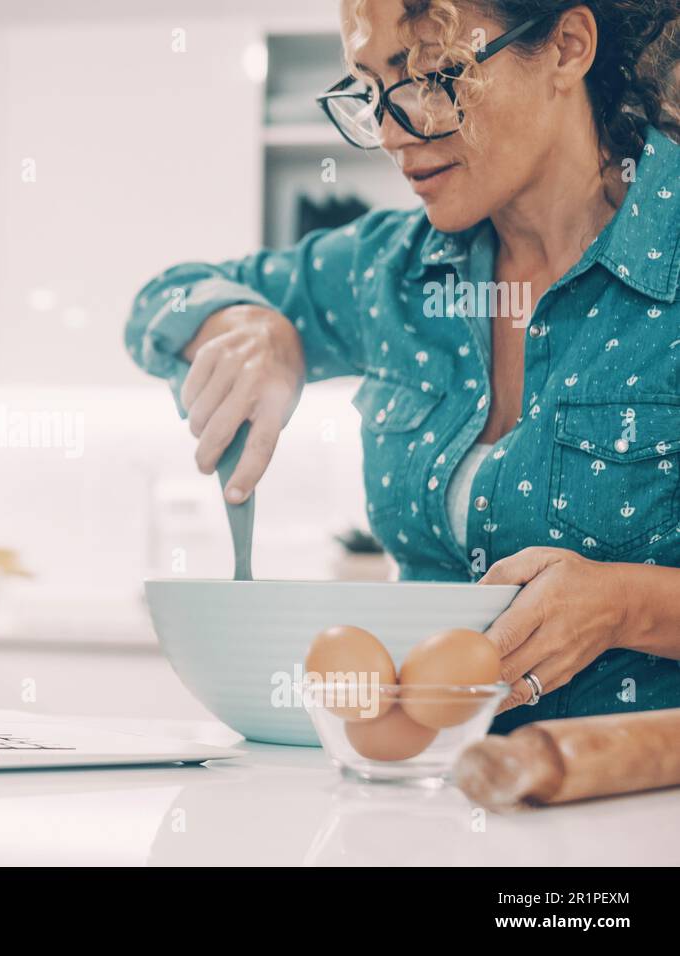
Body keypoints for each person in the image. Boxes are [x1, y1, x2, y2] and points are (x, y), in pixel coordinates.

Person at [124, 0, 680, 730]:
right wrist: (256, 324)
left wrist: (628, 606)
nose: (390, 132)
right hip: (419, 809)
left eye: (435, 75)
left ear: (566, 49)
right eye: (371, 88)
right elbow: (159, 303)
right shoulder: (388, 270)